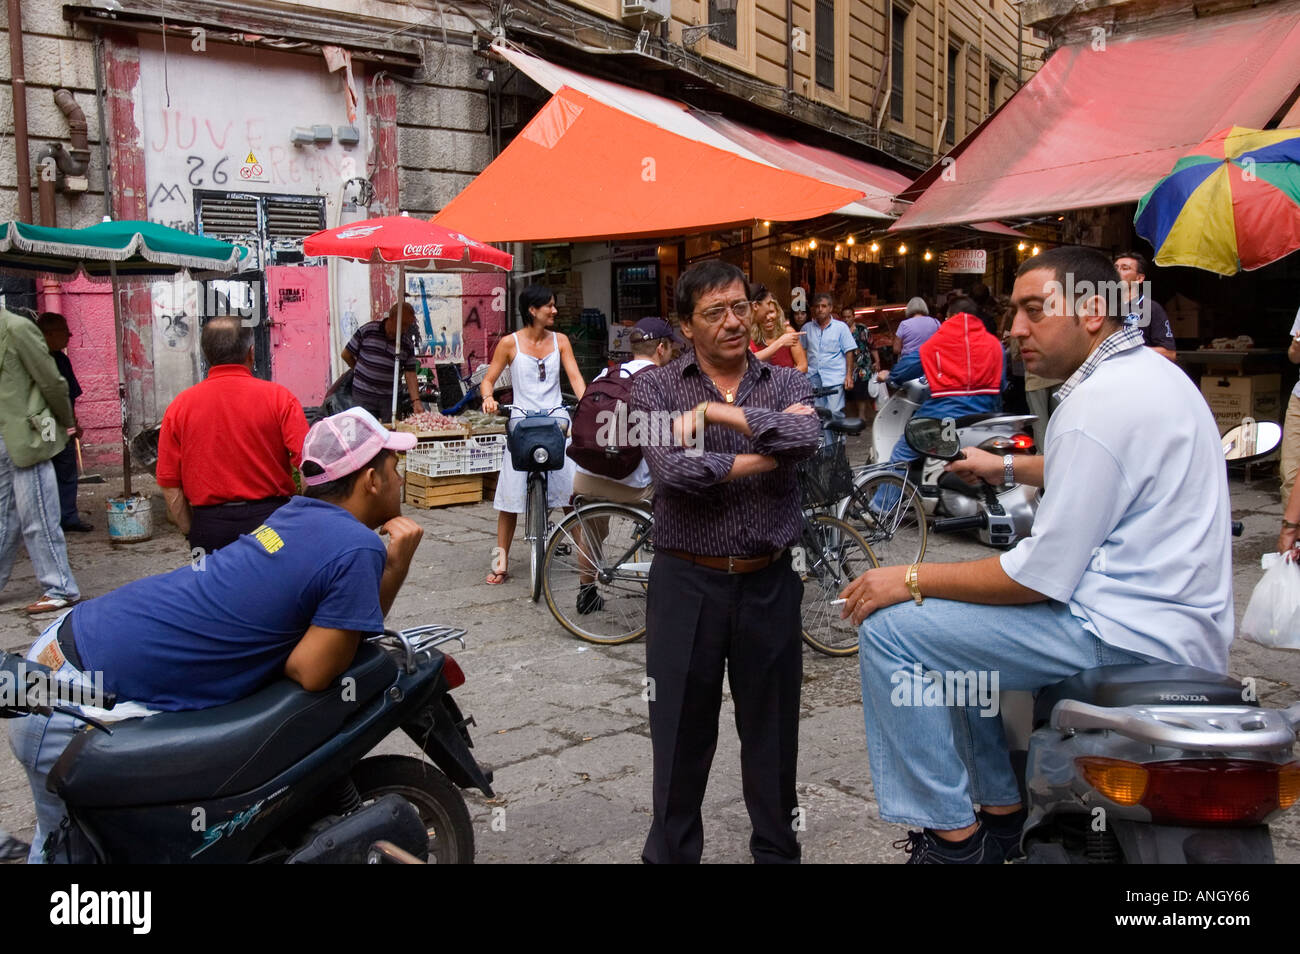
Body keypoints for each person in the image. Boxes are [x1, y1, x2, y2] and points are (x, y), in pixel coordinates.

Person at [839, 247, 1232, 863]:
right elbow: (1107, 468)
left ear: (1092, 311)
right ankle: (999, 815)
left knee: (895, 630)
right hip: (1178, 624)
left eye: (1033, 311)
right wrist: (1010, 464)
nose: (1015, 329)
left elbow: (1037, 578)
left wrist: (910, 576)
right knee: (952, 629)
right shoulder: (1153, 377)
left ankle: (950, 840)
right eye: (1013, 312)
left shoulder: (1096, 404)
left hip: (1121, 632)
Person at [9, 407, 424, 863]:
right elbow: (312, 670)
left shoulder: (295, 515)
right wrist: (396, 566)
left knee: (64, 845)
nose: (398, 481)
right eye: (393, 469)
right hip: (73, 706)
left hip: (53, 656)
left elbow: (346, 625)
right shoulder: (355, 545)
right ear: (370, 480)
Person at [631, 259, 821, 864]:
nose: (734, 322)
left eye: (740, 307)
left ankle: (776, 852)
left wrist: (716, 416)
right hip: (687, 583)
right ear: (686, 325)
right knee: (680, 736)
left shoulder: (784, 379)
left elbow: (807, 440)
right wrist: (770, 452)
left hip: (769, 581)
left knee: (772, 736)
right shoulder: (655, 387)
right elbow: (675, 472)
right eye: (715, 313)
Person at [157, 316, 310, 555]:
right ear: (251, 353)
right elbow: (308, 466)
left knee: (207, 588)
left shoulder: (179, 407)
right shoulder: (280, 398)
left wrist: (192, 532)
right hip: (269, 526)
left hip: (208, 529)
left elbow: (170, 484)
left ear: (207, 355)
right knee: (275, 587)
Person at [569, 317, 676, 615]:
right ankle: (672, 584)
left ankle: (586, 592)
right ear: (663, 348)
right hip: (632, 485)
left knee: (591, 529)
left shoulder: (607, 373)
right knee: (683, 496)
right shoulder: (661, 381)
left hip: (586, 478)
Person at [480, 286, 586, 585]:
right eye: (549, 306)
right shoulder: (508, 343)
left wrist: (589, 404)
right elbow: (488, 381)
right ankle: (500, 562)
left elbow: (576, 378)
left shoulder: (561, 341)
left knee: (570, 493)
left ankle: (587, 562)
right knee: (509, 496)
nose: (554, 310)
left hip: (556, 420)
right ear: (532, 310)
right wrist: (488, 398)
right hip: (522, 420)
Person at [872, 296, 1003, 501]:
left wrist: (892, 375)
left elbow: (909, 366)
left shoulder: (940, 342)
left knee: (902, 452)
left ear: (949, 317)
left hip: (944, 422)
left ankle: (879, 509)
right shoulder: (995, 344)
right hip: (986, 420)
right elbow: (1002, 384)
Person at [0, 306, 79, 615]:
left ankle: (61, 586)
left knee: (39, 516)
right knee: (6, 517)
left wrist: (65, 419)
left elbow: (52, 382)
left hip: (28, 434)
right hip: (9, 436)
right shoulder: (14, 327)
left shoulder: (17, 328)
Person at [36, 313, 90, 532]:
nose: (69, 336)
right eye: (64, 332)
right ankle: (48, 519)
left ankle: (68, 516)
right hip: (44, 426)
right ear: (48, 334)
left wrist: (73, 423)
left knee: (66, 470)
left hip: (63, 425)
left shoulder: (61, 359)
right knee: (46, 472)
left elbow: (70, 396)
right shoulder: (37, 361)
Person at [342, 301, 426, 422]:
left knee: (390, 434)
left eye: (408, 325)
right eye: (402, 324)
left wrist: (416, 401)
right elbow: (346, 354)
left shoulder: (406, 343)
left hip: (390, 399)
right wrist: (359, 370)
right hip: (364, 395)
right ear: (391, 318)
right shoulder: (368, 330)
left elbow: (410, 373)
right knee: (364, 432)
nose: (405, 329)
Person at [803, 292, 856, 420]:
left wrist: (848, 375)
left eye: (824, 306)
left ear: (830, 308)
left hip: (834, 379)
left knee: (834, 414)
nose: (820, 309)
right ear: (813, 309)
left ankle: (836, 441)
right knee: (817, 415)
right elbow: (803, 352)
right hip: (813, 379)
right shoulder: (806, 328)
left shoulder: (841, 327)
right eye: (817, 306)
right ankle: (823, 441)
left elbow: (849, 351)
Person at [1114, 252, 1176, 361]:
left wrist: (1133, 350)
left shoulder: (1152, 309)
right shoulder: (1104, 307)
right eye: (1115, 268)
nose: (1117, 272)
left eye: (1125, 268)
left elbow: (1170, 353)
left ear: (1139, 278)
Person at [747, 284, 807, 372]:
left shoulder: (788, 332)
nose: (768, 317)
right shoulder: (749, 336)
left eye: (771, 312)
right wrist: (780, 342)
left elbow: (803, 366)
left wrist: (784, 381)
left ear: (778, 313)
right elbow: (748, 362)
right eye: (765, 313)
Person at [1281, 311, 1300, 502]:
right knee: (1290, 474)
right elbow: (1293, 357)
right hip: (1298, 400)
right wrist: (1295, 346)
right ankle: (1293, 530)